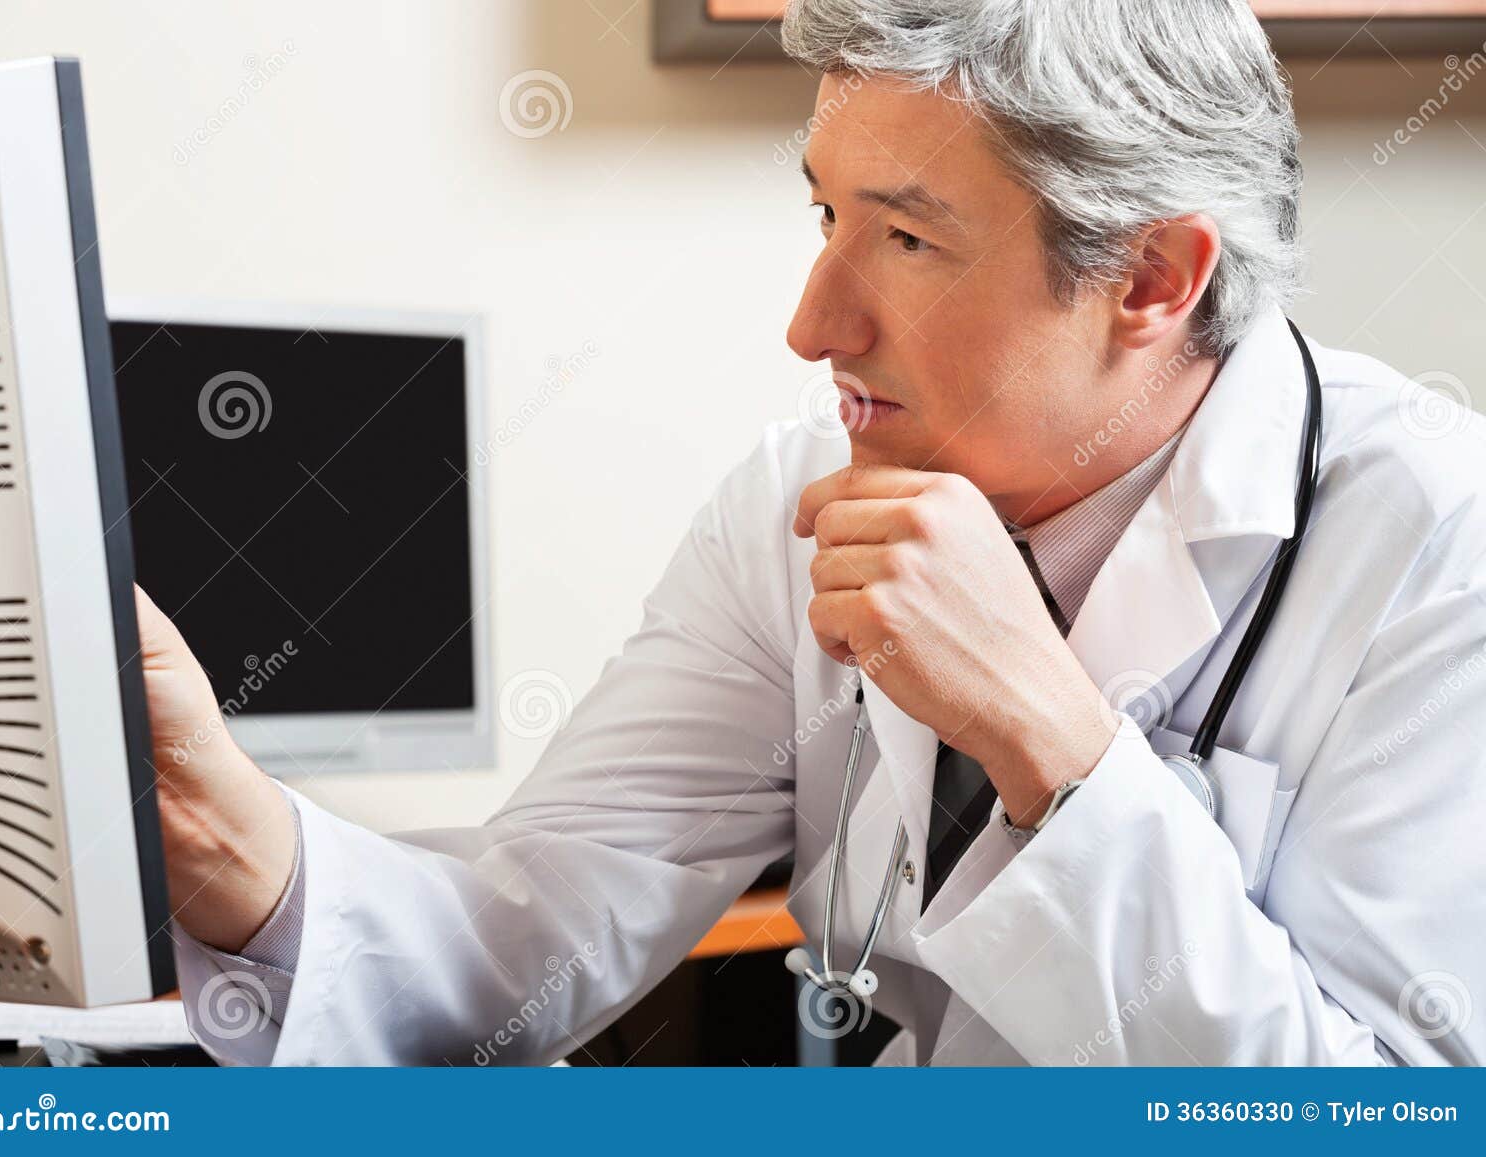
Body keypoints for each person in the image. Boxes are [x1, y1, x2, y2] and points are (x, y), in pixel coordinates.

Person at [148, 0, 1486, 1065]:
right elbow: (523, 945)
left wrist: (1055, 744)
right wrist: (220, 829)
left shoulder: (1439, 543)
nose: (814, 323)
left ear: (1151, 278)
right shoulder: (793, 507)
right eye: (826, 214)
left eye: (905, 239)